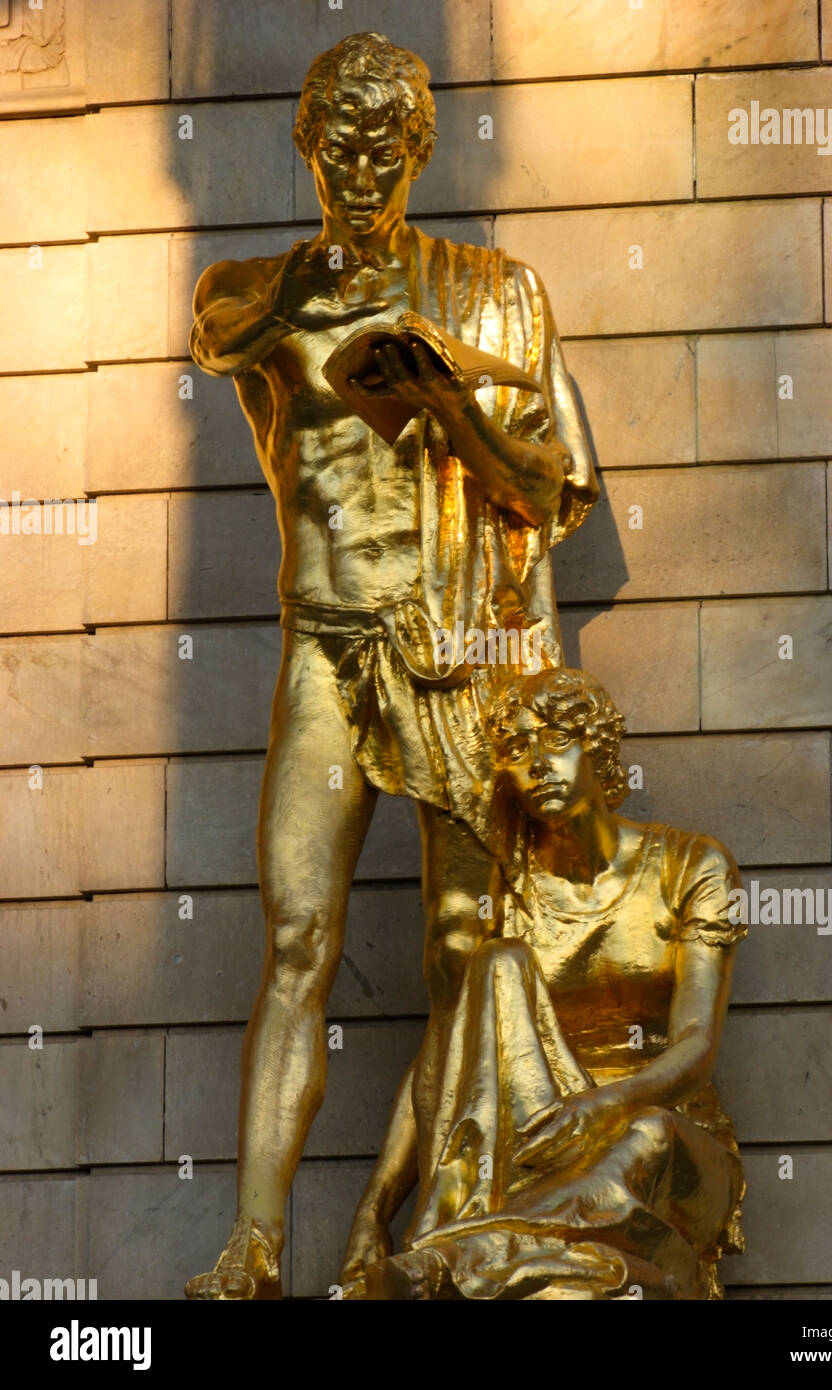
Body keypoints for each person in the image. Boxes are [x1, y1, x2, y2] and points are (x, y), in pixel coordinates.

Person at [184, 34, 597, 1298]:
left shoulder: (495, 292)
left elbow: (547, 491)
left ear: (421, 148)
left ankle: (396, 1230)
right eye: (340, 141)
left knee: (467, 949)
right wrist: (323, 294)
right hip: (325, 642)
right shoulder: (249, 292)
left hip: (457, 653)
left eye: (388, 142)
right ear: (306, 145)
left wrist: (449, 400)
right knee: (298, 937)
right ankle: (254, 1244)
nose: (364, 165)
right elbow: (221, 339)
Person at [341, 669, 746, 1300]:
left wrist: (603, 1106)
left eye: (555, 739)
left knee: (648, 1135)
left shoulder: (693, 864)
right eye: (516, 751)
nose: (536, 764)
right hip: (544, 1137)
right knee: (497, 960)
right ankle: (496, 1247)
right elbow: (444, 1050)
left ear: (599, 747)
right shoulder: (507, 892)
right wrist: (372, 1211)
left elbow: (697, 1043)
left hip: (667, 1135)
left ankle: (458, 1250)